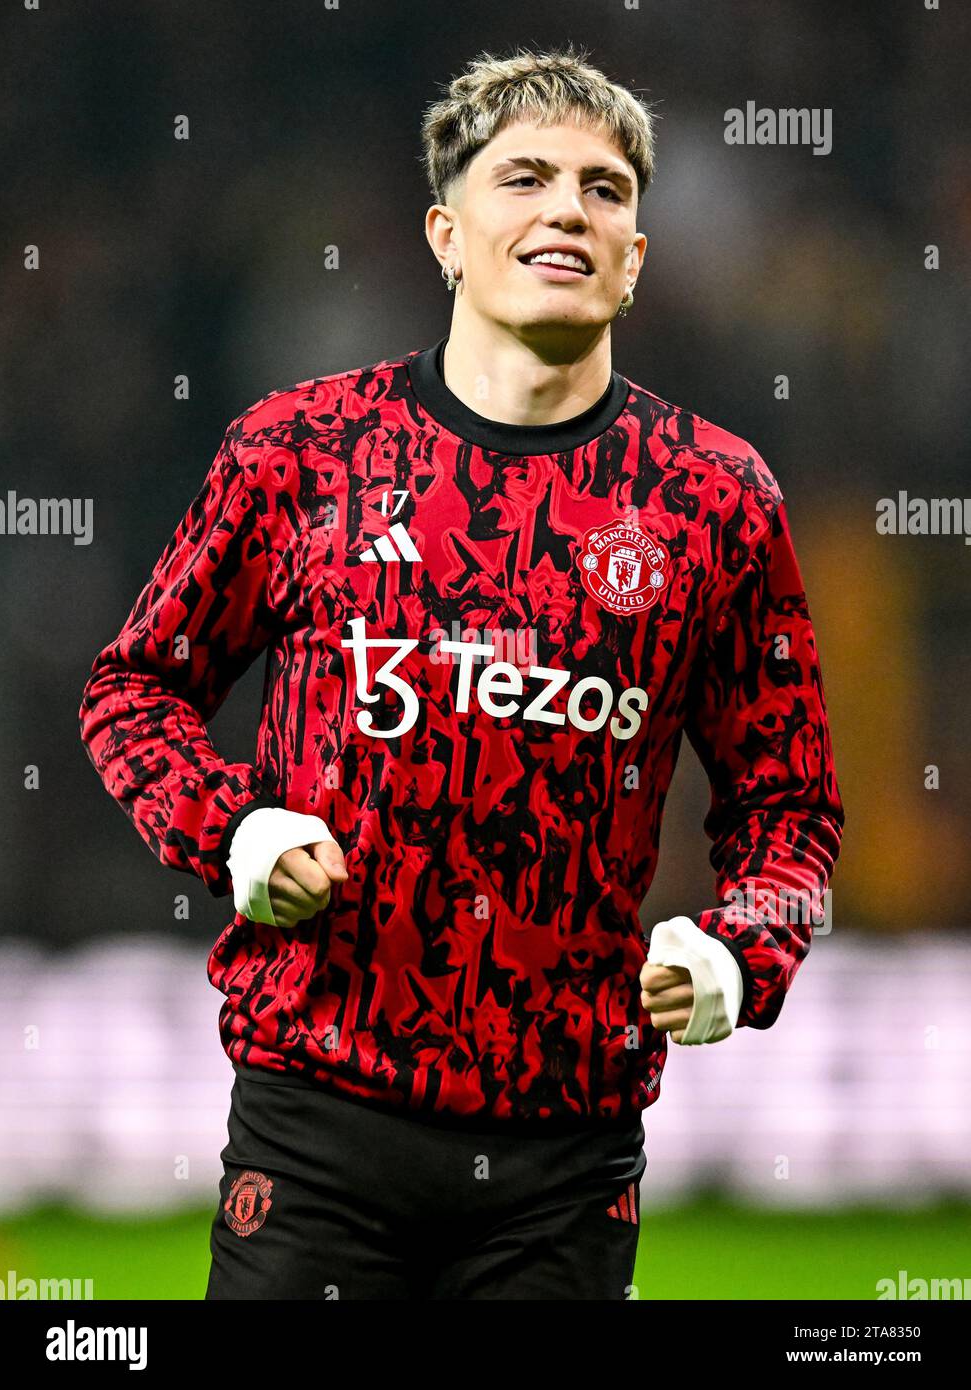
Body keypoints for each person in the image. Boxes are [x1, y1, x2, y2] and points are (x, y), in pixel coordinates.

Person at [78, 45, 844, 1300]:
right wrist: (234, 829)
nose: (567, 210)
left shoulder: (715, 499)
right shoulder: (301, 450)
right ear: (445, 235)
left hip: (566, 1155)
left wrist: (740, 951)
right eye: (525, 178)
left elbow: (792, 808)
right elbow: (133, 692)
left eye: (604, 190)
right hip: (316, 1114)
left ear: (635, 258)